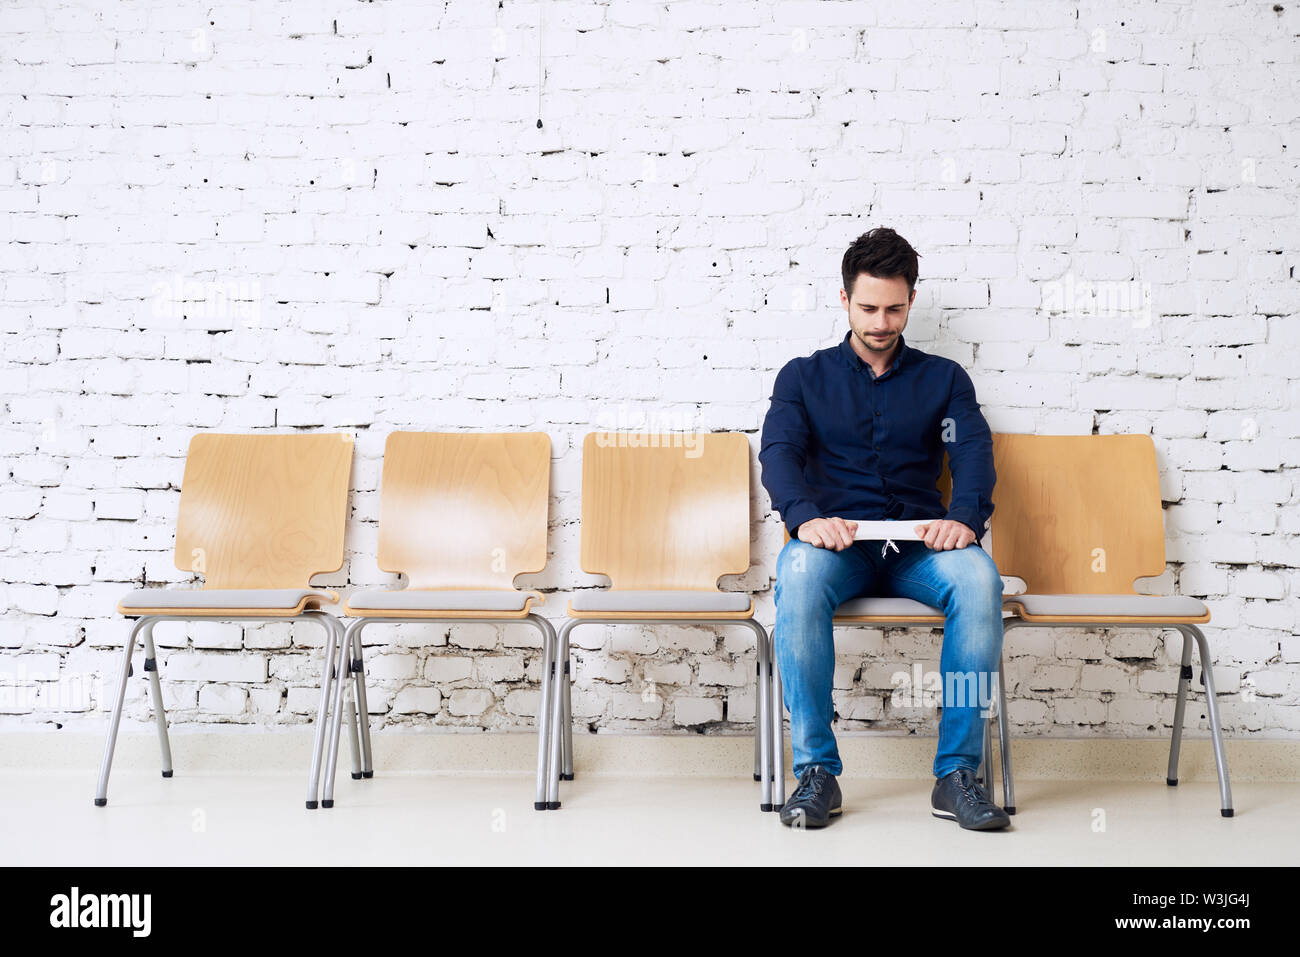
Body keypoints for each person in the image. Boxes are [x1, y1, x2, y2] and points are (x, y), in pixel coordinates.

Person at [759, 227, 1010, 831]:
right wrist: (804, 518)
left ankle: (957, 775)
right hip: (837, 542)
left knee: (979, 580)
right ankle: (817, 773)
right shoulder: (802, 377)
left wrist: (964, 520)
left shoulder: (945, 379)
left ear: (911, 301)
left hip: (919, 545)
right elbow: (779, 453)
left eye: (893, 308)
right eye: (868, 307)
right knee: (795, 570)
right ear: (843, 300)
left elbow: (971, 452)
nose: (880, 321)